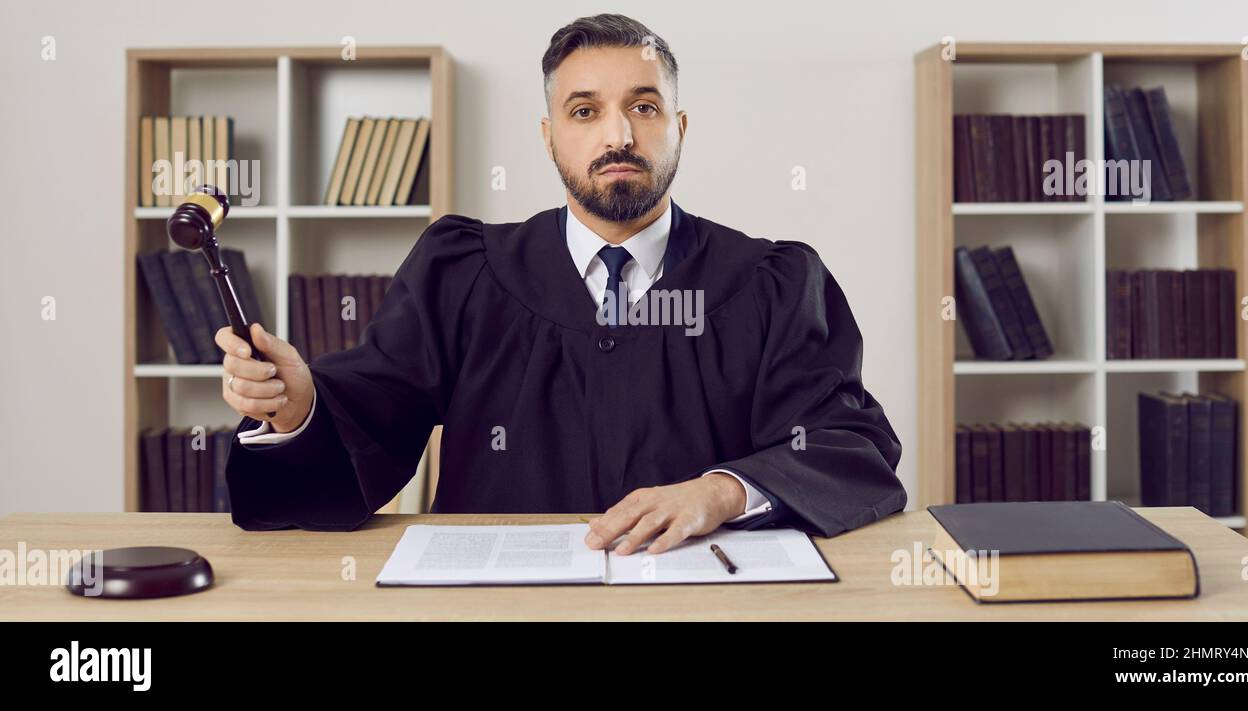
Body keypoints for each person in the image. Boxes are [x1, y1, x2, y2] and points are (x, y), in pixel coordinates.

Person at [218, 13, 905, 556]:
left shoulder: (771, 284)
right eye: (585, 111)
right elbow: (374, 414)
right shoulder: (462, 272)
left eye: (644, 107)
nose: (618, 134)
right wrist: (300, 405)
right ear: (549, 137)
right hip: (501, 614)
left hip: (704, 609)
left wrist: (722, 491)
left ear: (679, 128)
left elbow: (848, 444)